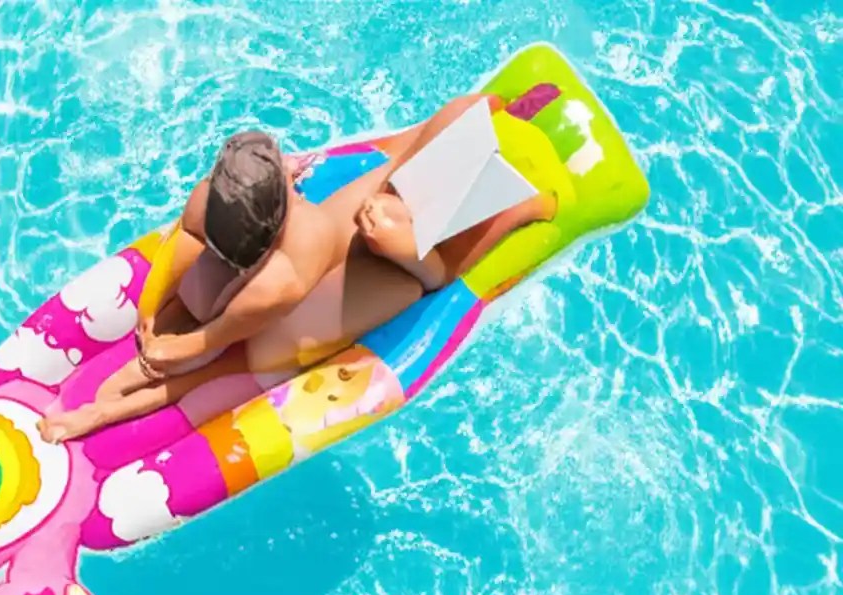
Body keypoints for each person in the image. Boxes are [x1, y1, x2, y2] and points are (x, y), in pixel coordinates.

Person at [37, 93, 557, 443]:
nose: (292, 166)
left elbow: (217, 339)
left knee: (414, 253)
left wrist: (159, 346)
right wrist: (155, 326)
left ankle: (511, 194)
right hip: (324, 271)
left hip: (332, 278)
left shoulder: (261, 257)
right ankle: (493, 176)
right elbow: (195, 286)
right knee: (404, 203)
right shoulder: (268, 243)